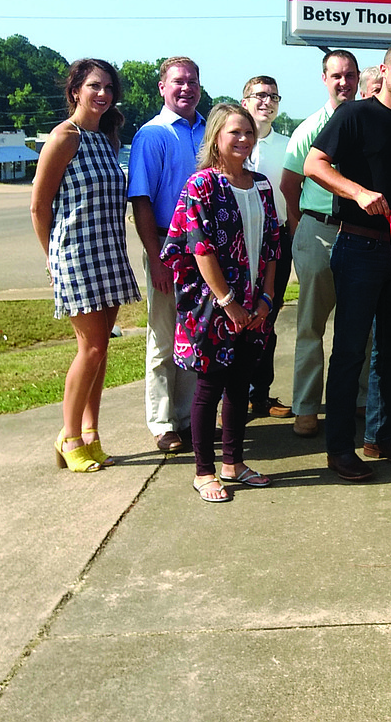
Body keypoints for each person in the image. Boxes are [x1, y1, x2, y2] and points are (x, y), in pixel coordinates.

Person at [304, 43, 391, 480]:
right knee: (349, 353)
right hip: (358, 248)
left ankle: (381, 436)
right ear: (385, 70)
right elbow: (313, 164)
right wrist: (356, 191)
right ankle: (339, 449)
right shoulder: (353, 115)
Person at [162, 103, 280, 502]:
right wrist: (229, 303)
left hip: (253, 305)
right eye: (235, 132)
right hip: (213, 307)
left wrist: (265, 298)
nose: (244, 139)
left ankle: (234, 463)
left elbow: (272, 247)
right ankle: (204, 471)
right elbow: (200, 248)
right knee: (209, 387)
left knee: (239, 385)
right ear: (216, 137)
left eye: (249, 132)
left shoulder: (262, 185)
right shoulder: (201, 186)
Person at [30, 59, 141, 472]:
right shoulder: (64, 137)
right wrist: (51, 258)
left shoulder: (107, 138)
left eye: (109, 88)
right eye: (94, 86)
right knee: (90, 347)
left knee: (100, 348)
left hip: (108, 251)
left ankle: (91, 433)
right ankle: (68, 436)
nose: (103, 94)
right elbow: (39, 206)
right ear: (75, 90)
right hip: (75, 255)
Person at [280, 50, 368, 439]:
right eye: (336, 75)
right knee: (311, 325)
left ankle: (361, 401)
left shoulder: (369, 121)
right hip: (319, 230)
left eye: (350, 75)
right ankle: (306, 406)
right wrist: (303, 227)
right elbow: (289, 185)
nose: (344, 82)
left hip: (361, 234)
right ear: (324, 79)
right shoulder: (308, 129)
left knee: (361, 325)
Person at [127, 56, 205, 453]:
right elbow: (141, 200)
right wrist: (156, 258)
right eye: (177, 81)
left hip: (206, 249)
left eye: (192, 81)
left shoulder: (210, 131)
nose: (186, 88)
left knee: (196, 335)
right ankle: (162, 423)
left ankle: (189, 415)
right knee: (163, 336)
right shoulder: (152, 135)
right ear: (162, 87)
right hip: (166, 247)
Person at [241, 76, 292, 419]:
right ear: (244, 101)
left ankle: (260, 393)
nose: (267, 102)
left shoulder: (289, 145)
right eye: (259, 95)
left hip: (278, 240)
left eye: (273, 96)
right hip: (237, 243)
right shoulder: (231, 142)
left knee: (267, 317)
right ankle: (234, 393)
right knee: (235, 318)